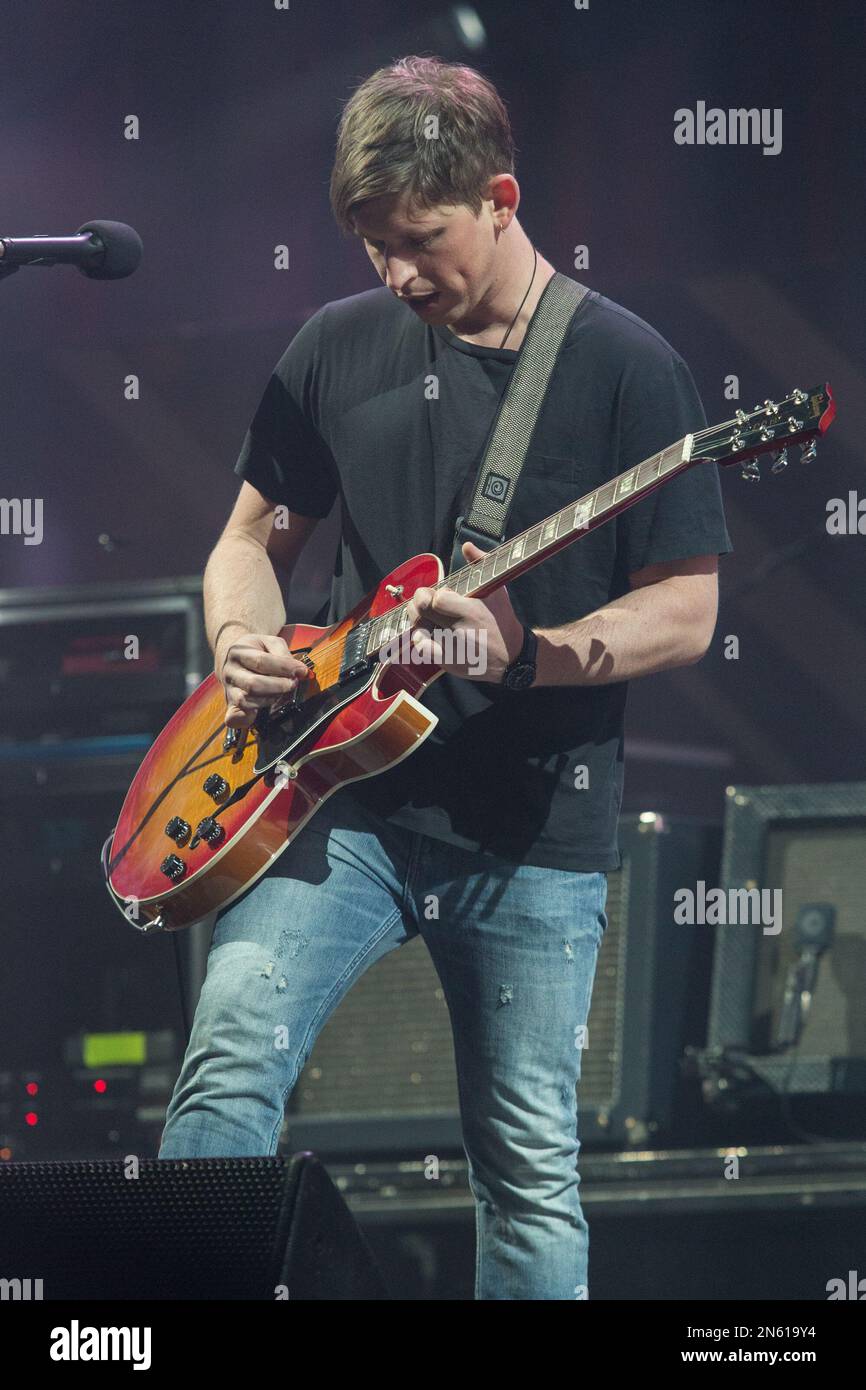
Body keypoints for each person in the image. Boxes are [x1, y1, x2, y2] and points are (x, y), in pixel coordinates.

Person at [158, 55, 732, 1300]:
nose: (397, 275)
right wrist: (241, 634)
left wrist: (528, 653)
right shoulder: (334, 345)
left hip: (532, 820)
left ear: (501, 197)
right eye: (371, 247)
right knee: (226, 1068)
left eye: (419, 240)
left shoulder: (628, 367)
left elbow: (687, 610)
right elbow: (248, 538)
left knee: (524, 1164)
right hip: (338, 802)